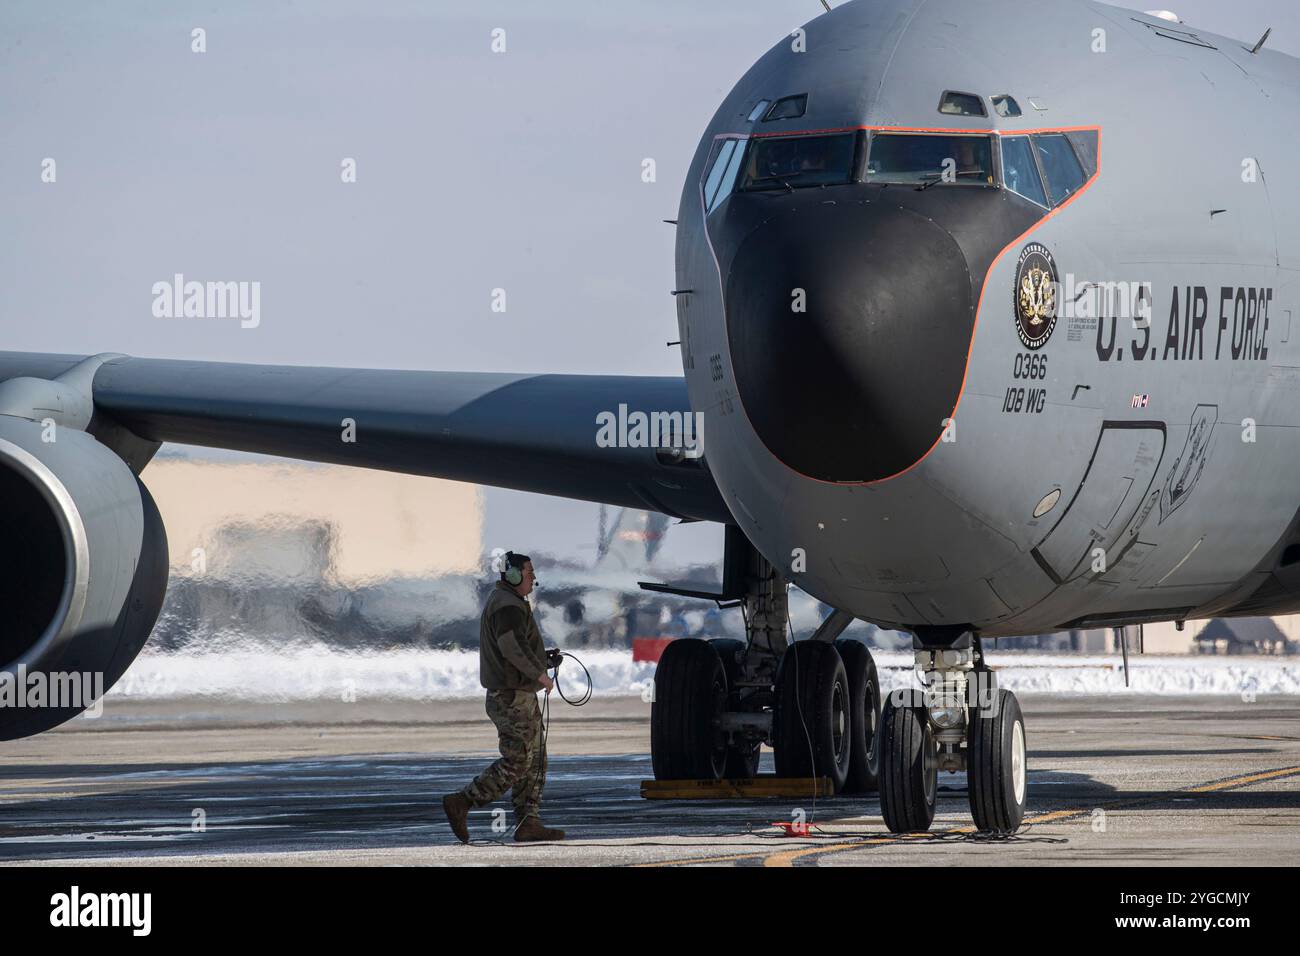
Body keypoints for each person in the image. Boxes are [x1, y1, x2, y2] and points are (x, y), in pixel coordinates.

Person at [442, 551, 565, 843]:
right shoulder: (507, 605)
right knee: (520, 759)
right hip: (510, 697)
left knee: (535, 760)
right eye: (529, 572)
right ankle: (463, 801)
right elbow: (510, 647)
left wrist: (541, 661)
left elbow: (515, 649)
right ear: (513, 575)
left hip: (519, 693)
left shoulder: (511, 603)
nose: (533, 577)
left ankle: (528, 823)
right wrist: (540, 675)